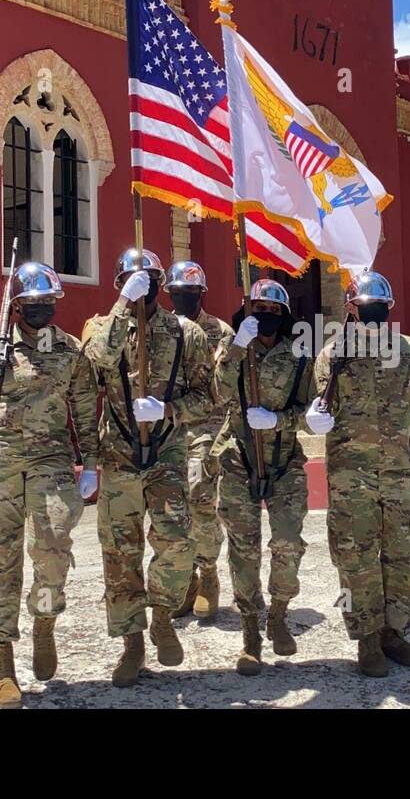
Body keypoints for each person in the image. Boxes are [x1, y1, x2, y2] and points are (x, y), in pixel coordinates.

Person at [0, 262, 99, 709]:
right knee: (1, 563)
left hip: (50, 465)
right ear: (16, 307)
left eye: (48, 303)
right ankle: (3, 663)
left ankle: (44, 624)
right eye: (33, 304)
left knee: (53, 549)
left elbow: (86, 410)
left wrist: (90, 462)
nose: (42, 311)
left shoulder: (71, 352)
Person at [81, 248, 213, 684]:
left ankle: (162, 615)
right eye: (134, 280)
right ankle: (132, 643)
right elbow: (96, 360)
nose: (145, 286)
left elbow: (207, 397)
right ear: (120, 284)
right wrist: (123, 308)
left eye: (151, 279)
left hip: (167, 456)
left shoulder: (186, 333)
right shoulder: (102, 327)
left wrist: (170, 410)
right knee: (120, 554)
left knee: (176, 544)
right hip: (118, 455)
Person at [312, 270, 410, 677]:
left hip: (396, 474)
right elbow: (318, 403)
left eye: (379, 308)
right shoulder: (334, 354)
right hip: (350, 476)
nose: (372, 313)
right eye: (364, 307)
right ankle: (367, 639)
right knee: (356, 558)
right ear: (351, 309)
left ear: (389, 310)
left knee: (403, 554)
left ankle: (394, 632)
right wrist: (313, 419)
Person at [212, 279, 315, 675]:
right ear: (247, 311)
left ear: (284, 316)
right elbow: (218, 392)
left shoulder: (299, 358)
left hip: (284, 459)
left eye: (273, 311)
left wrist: (279, 419)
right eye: (259, 308)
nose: (266, 316)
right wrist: (238, 346)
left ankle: (279, 613)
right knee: (245, 549)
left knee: (288, 543)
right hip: (239, 457)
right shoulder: (233, 349)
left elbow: (310, 414)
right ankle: (251, 632)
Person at [163, 261, 233, 620]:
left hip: (207, 427)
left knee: (201, 500)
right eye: (178, 292)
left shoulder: (220, 333)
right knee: (170, 511)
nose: (184, 298)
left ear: (202, 295)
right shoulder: (159, 329)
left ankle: (208, 574)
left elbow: (225, 390)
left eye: (191, 293)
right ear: (167, 293)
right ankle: (185, 580)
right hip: (167, 430)